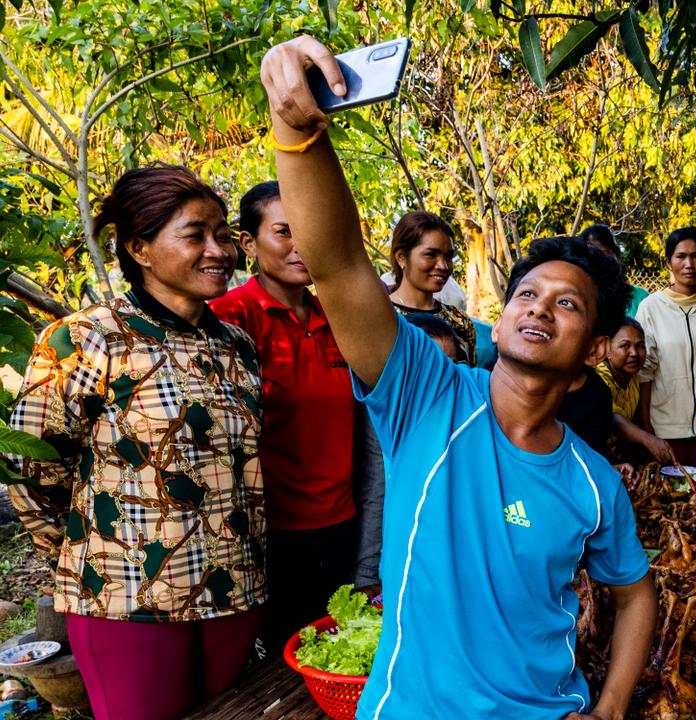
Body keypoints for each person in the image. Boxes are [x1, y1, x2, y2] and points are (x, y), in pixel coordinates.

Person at [262, 37, 656, 720]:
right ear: (497, 325)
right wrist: (297, 134)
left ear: (593, 348)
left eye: (568, 303)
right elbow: (338, 268)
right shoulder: (425, 394)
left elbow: (636, 593)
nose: (540, 307)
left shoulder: (596, 481)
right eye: (526, 295)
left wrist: (613, 702)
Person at [6, 166, 264, 720]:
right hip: (128, 599)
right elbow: (32, 464)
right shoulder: (86, 338)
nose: (219, 249)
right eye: (195, 235)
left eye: (222, 233)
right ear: (139, 248)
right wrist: (86, 550)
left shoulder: (237, 346)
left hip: (234, 589)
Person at [210, 180, 360, 657]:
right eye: (283, 232)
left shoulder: (337, 317)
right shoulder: (227, 319)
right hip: (271, 531)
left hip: (342, 521)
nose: (301, 246)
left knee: (341, 645)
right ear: (248, 244)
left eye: (309, 231)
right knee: (285, 656)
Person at [634, 227, 696, 468]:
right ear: (669, 262)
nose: (689, 264)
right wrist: (648, 433)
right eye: (681, 256)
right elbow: (645, 374)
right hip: (664, 431)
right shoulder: (650, 308)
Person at [386, 210, 479, 366]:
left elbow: (466, 382)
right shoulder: (384, 317)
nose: (443, 266)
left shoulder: (460, 321)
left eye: (448, 257)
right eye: (430, 255)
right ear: (401, 257)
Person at [596, 319, 674, 464]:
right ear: (607, 350)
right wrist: (649, 440)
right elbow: (613, 417)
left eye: (640, 346)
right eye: (625, 346)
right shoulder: (598, 377)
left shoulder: (634, 379)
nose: (634, 353)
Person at [581, 223, 648, 318]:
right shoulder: (577, 299)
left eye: (603, 253)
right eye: (592, 255)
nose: (599, 261)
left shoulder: (641, 298)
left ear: (617, 256)